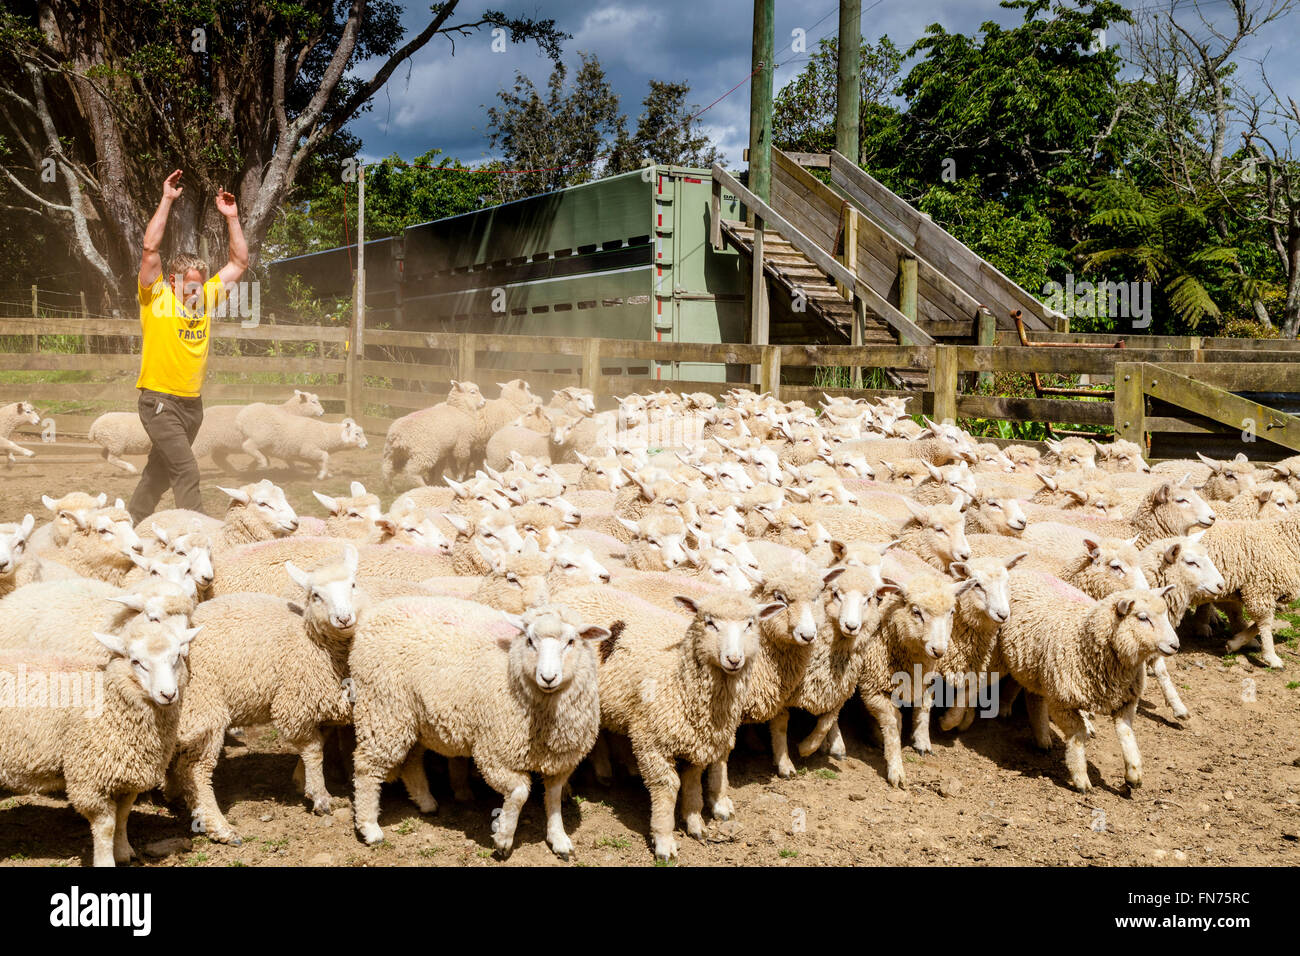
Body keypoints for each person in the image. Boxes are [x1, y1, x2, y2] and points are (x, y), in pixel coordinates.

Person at [127, 169, 248, 525]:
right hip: (158, 401)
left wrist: (233, 218)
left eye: (199, 285)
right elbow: (150, 248)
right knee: (186, 470)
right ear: (174, 283)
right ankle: (202, 535)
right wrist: (166, 199)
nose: (196, 292)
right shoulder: (156, 296)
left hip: (192, 407)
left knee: (159, 473)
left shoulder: (206, 298)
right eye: (190, 286)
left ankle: (131, 524)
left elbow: (239, 262)